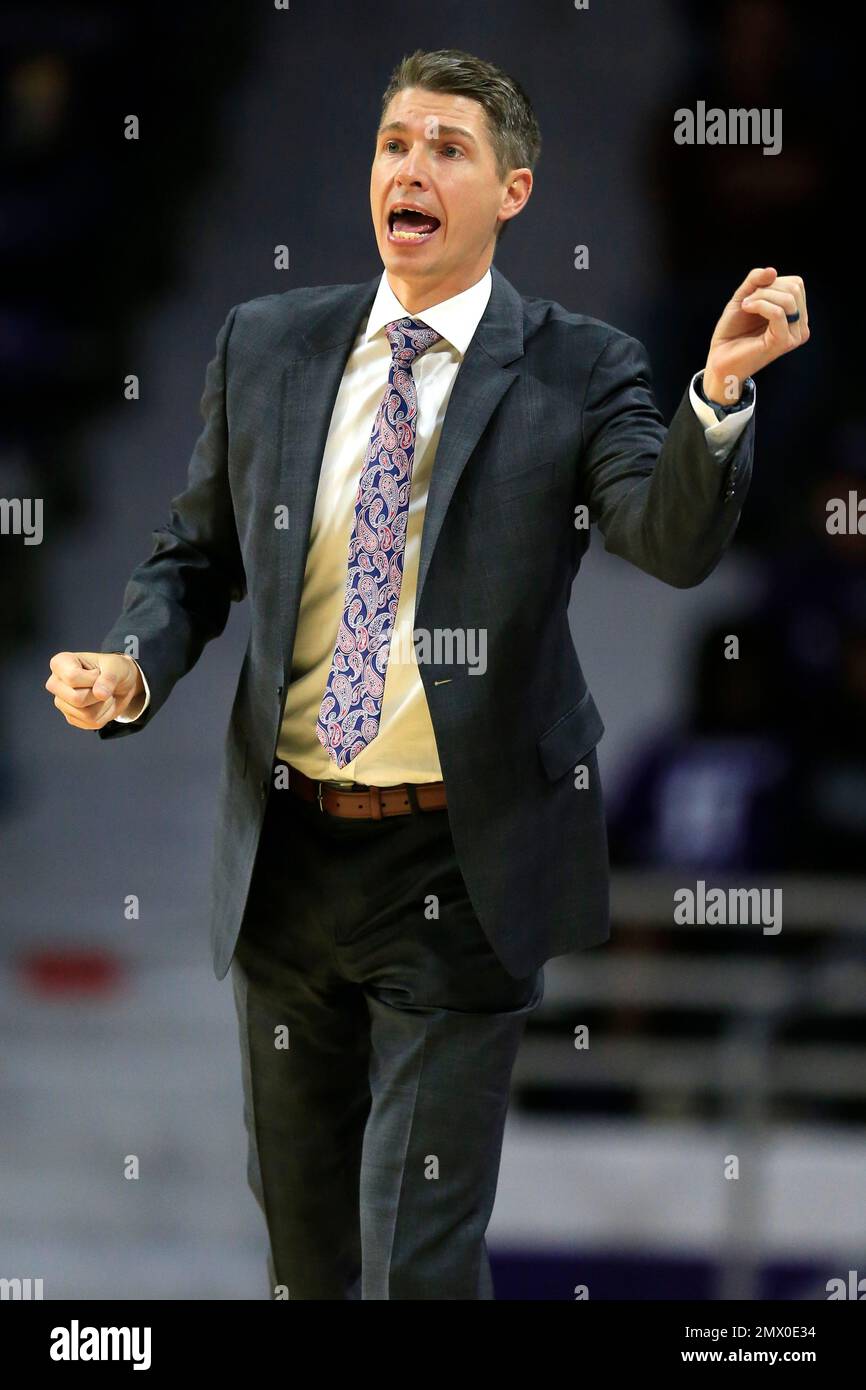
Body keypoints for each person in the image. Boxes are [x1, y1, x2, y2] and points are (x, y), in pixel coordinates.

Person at [44, 48, 809, 1299]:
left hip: (458, 860)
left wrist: (715, 392)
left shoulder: (579, 367)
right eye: (394, 142)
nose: (410, 167)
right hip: (286, 856)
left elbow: (665, 542)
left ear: (511, 190)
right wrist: (130, 670)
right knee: (308, 1260)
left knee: (419, 1258)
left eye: (446, 148)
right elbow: (193, 558)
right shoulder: (269, 344)